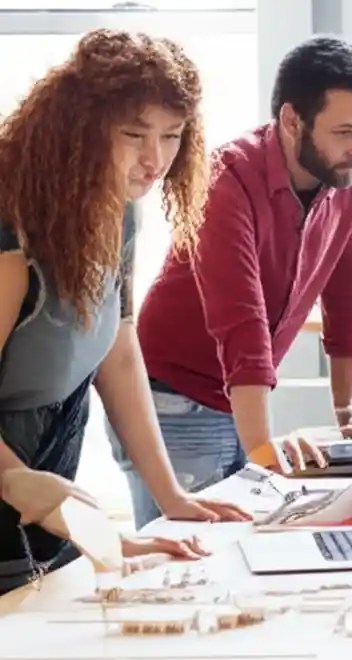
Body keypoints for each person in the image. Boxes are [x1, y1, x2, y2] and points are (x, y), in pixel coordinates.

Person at [0, 31, 250, 594]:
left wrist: (172, 499)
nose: (155, 159)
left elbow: (118, 352)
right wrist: (22, 486)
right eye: (134, 134)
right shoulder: (11, 224)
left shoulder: (120, 212)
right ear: (79, 129)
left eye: (172, 136)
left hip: (39, 493)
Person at [121, 36, 352, 527]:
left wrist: (346, 408)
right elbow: (242, 321)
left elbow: (348, 293)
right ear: (290, 121)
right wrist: (264, 450)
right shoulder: (226, 178)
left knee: (246, 542)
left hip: (237, 393)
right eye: (344, 131)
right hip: (175, 395)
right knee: (195, 556)